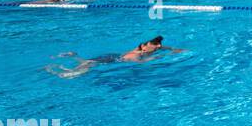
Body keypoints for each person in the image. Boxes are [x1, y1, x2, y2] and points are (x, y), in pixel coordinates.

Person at [46, 35, 183, 78]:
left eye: (159, 44)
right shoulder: (135, 54)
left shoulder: (150, 47)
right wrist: (159, 58)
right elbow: (140, 63)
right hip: (111, 60)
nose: (159, 46)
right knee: (83, 69)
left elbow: (167, 48)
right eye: (155, 44)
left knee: (87, 62)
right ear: (145, 45)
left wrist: (173, 49)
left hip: (113, 56)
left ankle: (73, 56)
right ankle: (56, 69)